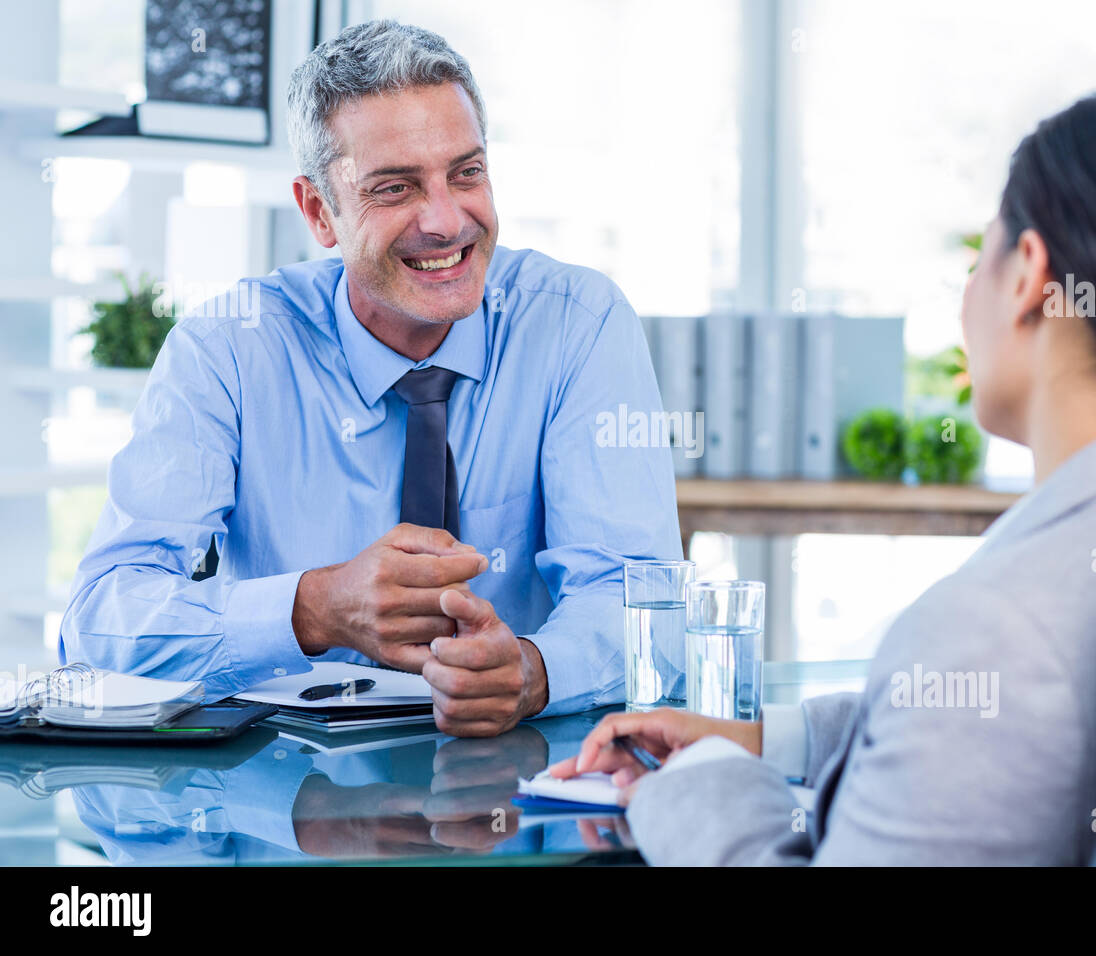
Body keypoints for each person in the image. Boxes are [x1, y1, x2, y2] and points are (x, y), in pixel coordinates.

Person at [552, 90, 1096, 864]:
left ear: (1028, 273)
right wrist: (761, 741)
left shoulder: (989, 629)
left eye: (981, 256)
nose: (968, 297)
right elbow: (967, 729)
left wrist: (696, 783)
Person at [59, 20, 682, 737]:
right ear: (320, 212)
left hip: (519, 795)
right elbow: (99, 625)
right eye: (396, 188)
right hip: (289, 804)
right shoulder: (228, 348)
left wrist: (534, 670)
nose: (446, 222)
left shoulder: (577, 323)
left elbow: (645, 606)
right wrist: (314, 608)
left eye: (466, 173)